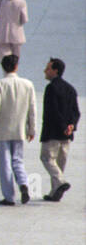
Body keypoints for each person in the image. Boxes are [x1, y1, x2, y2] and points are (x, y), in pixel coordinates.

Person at [0, 54, 37, 206]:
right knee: (18, 159)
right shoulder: (28, 84)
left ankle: (9, 196)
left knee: (5, 162)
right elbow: (32, 109)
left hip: (3, 129)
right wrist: (32, 129)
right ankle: (23, 182)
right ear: (17, 66)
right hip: (20, 128)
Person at [40, 57, 78, 201]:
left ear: (55, 71)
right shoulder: (70, 89)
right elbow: (76, 111)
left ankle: (60, 183)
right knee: (59, 164)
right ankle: (55, 192)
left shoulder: (51, 88)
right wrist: (71, 125)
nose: (45, 71)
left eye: (48, 68)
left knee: (47, 159)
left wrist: (63, 127)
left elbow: (53, 111)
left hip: (53, 133)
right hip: (67, 135)